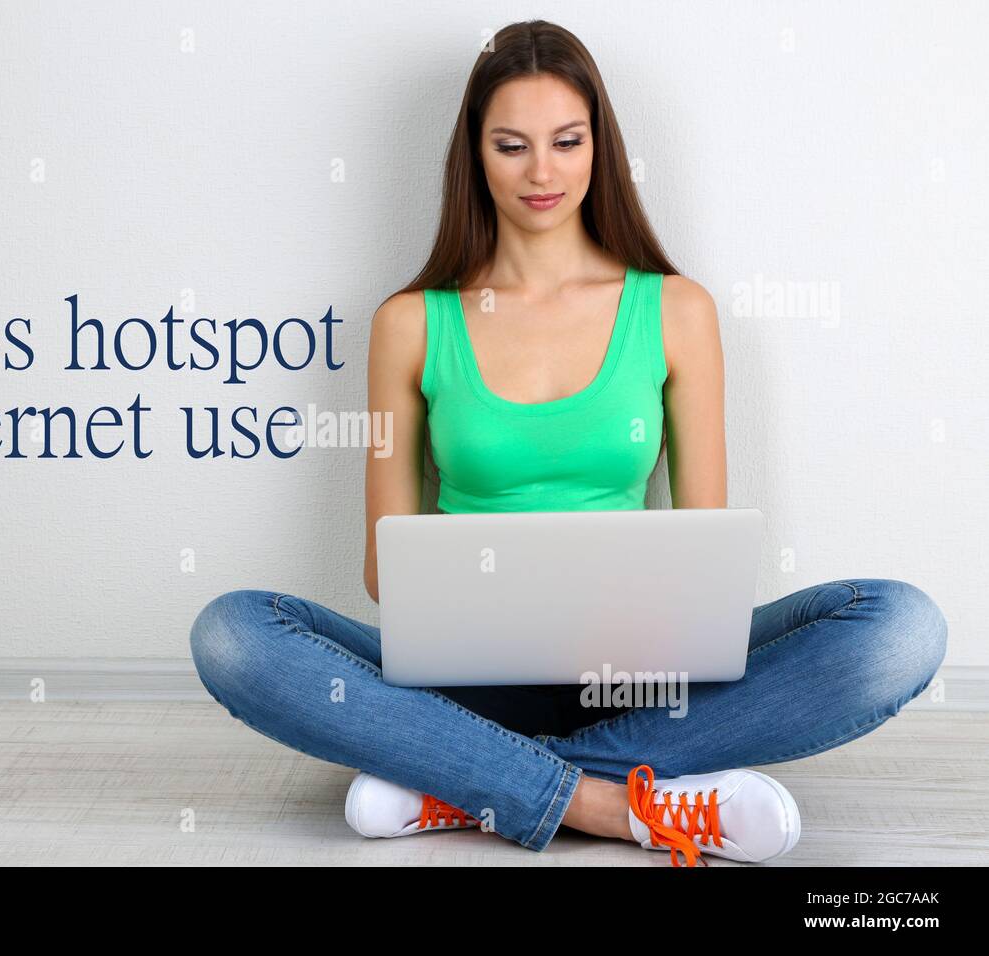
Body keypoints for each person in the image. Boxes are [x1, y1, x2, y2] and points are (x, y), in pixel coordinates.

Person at [188, 19, 947, 866]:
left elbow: (710, 558)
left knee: (900, 625)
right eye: (512, 145)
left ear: (601, 148)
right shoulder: (410, 324)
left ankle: (462, 785)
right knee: (232, 631)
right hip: (462, 685)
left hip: (645, 680)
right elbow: (383, 570)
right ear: (475, 155)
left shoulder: (676, 311)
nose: (541, 172)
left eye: (566, 142)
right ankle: (614, 805)